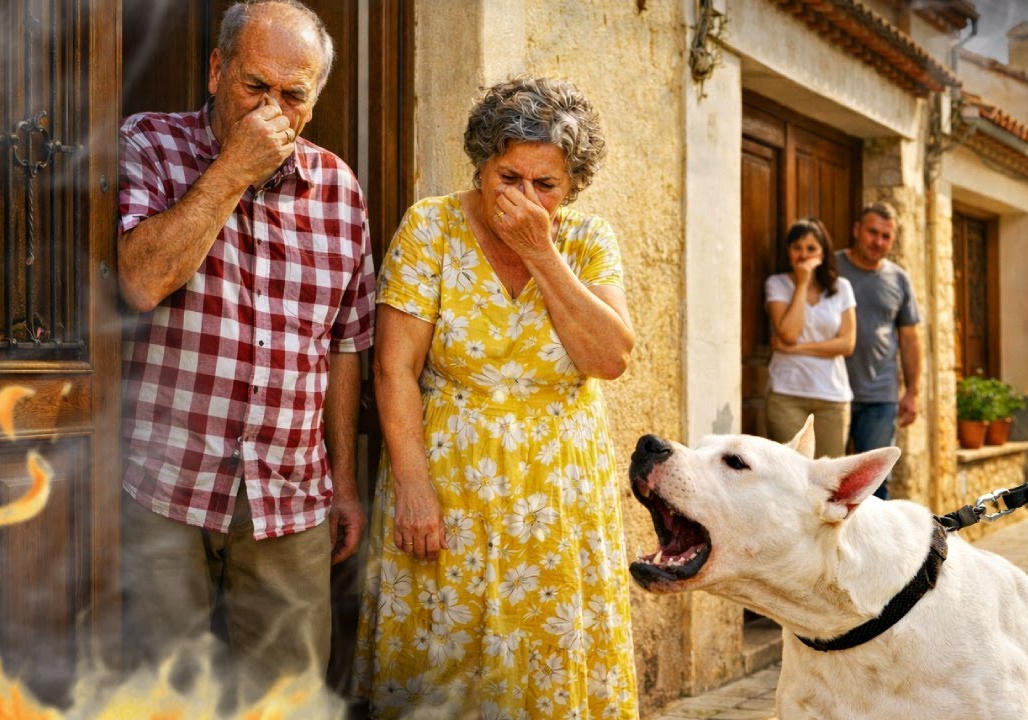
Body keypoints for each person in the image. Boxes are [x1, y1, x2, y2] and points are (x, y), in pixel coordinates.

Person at [353, 77, 639, 719]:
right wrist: (413, 488)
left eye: (548, 185)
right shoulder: (432, 227)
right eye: (510, 177)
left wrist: (543, 255)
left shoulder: (587, 242)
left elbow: (610, 358)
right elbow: (393, 371)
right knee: (444, 664)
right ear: (481, 165)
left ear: (573, 188)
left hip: (558, 498)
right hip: (449, 488)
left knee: (550, 662)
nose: (526, 199)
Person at [115, 0, 374, 693]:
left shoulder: (340, 190)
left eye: (293, 97)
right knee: (164, 700)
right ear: (215, 69)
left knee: (287, 700)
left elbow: (346, 344)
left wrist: (344, 481)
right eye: (254, 87)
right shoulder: (150, 144)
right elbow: (142, 281)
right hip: (164, 486)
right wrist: (233, 170)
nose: (273, 112)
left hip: (288, 495)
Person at [836, 202, 920, 500]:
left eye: (886, 236)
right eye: (873, 232)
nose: (878, 241)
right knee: (822, 480)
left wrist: (911, 392)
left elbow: (909, 339)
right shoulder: (832, 269)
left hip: (880, 398)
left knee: (875, 484)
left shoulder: (898, 279)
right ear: (857, 230)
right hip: (831, 392)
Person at [764, 218, 856, 459]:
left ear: (823, 253)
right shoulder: (777, 284)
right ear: (788, 251)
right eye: (797, 248)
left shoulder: (842, 288)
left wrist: (794, 350)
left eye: (811, 248)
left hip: (832, 398)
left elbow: (846, 344)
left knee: (830, 481)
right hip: (787, 396)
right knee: (789, 474)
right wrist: (803, 282)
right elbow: (789, 333)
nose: (804, 255)